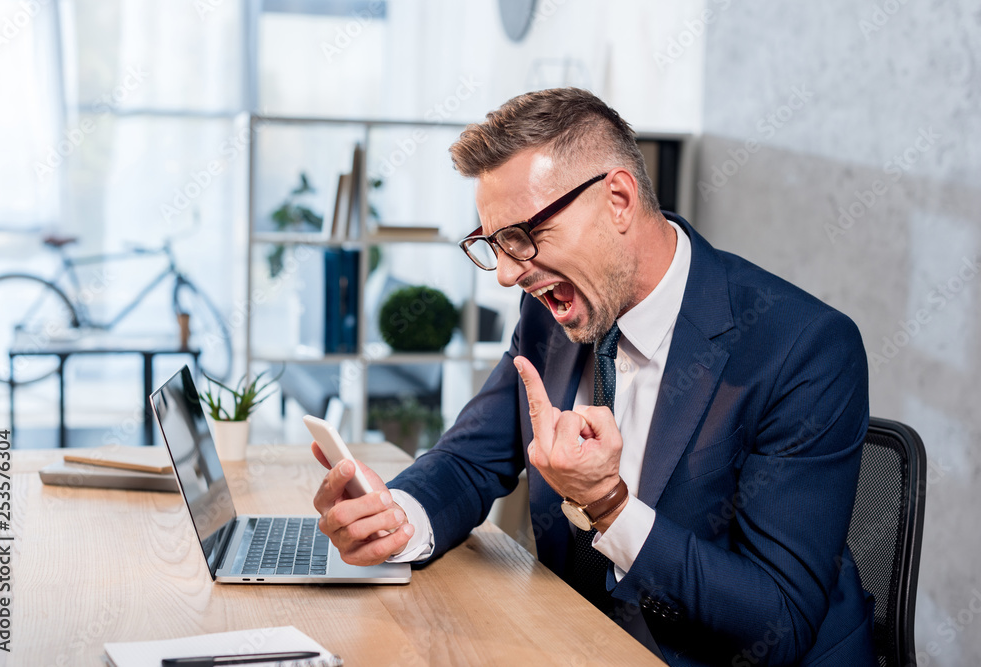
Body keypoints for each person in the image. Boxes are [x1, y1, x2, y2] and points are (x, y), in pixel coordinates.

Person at [311, 88, 876, 666]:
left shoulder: (801, 348)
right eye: (493, 245)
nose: (506, 275)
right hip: (576, 641)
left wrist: (607, 504)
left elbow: (778, 621)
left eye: (522, 237)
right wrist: (399, 519)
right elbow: (470, 459)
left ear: (619, 199)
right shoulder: (551, 310)